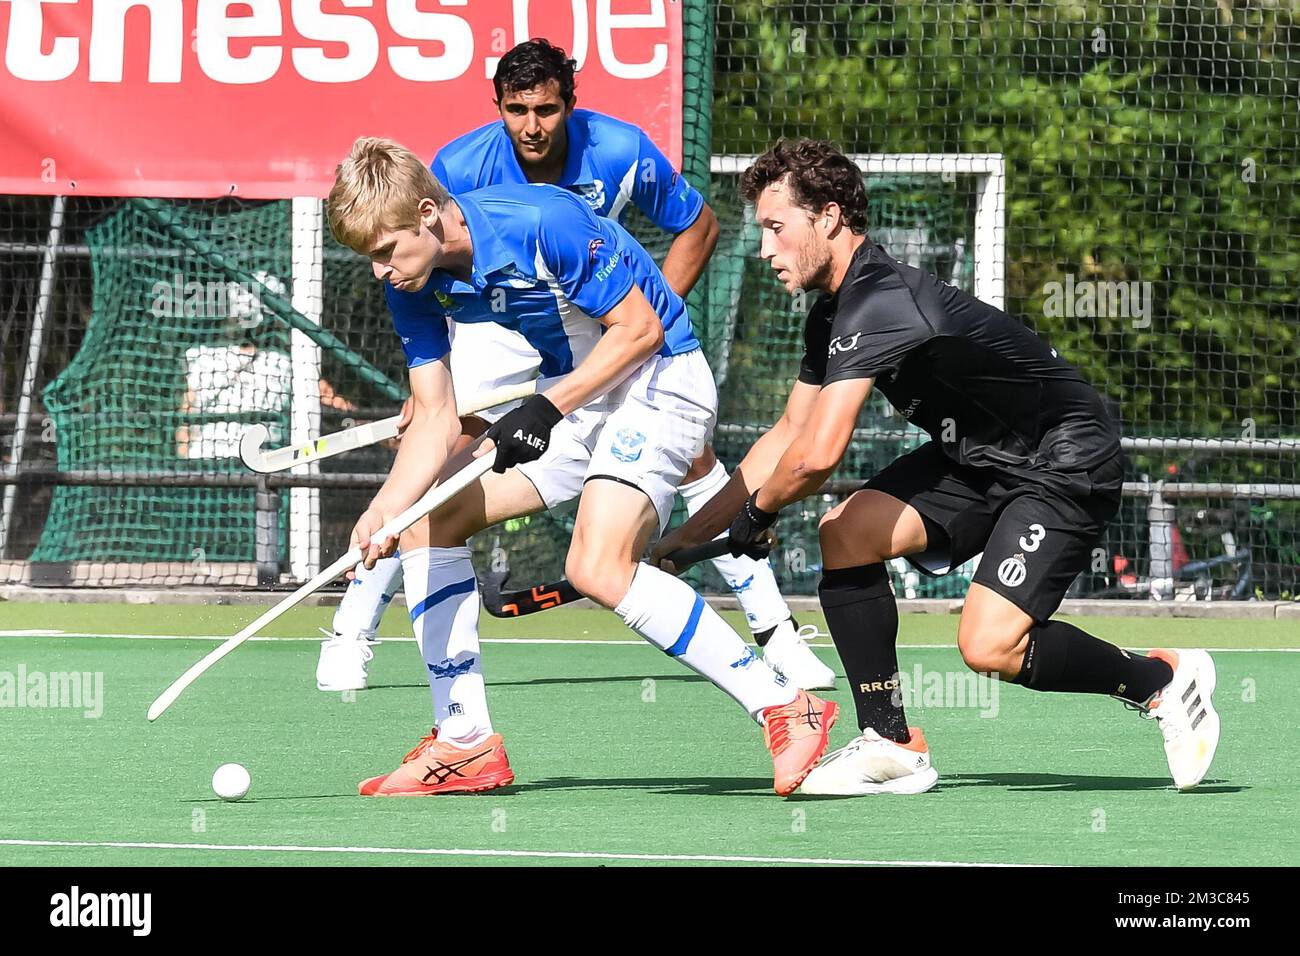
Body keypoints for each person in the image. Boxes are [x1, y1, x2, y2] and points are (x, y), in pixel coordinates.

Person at [654, 139, 1221, 794]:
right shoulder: (831, 315)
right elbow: (786, 435)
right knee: (846, 534)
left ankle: (1162, 681)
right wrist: (684, 539)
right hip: (974, 457)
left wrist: (758, 515)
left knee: (989, 648)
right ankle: (890, 742)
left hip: (1063, 455)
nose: (765, 250)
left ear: (829, 217)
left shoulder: (880, 300)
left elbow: (817, 455)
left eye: (777, 228)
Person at [325, 136, 838, 796]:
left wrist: (545, 407)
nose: (380, 271)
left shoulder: (542, 222)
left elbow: (641, 330)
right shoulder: (414, 282)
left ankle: (783, 703)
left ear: (428, 213)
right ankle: (464, 740)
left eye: (385, 251)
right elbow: (432, 416)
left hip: (660, 380)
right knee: (429, 523)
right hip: (580, 396)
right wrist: (385, 509)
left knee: (596, 566)